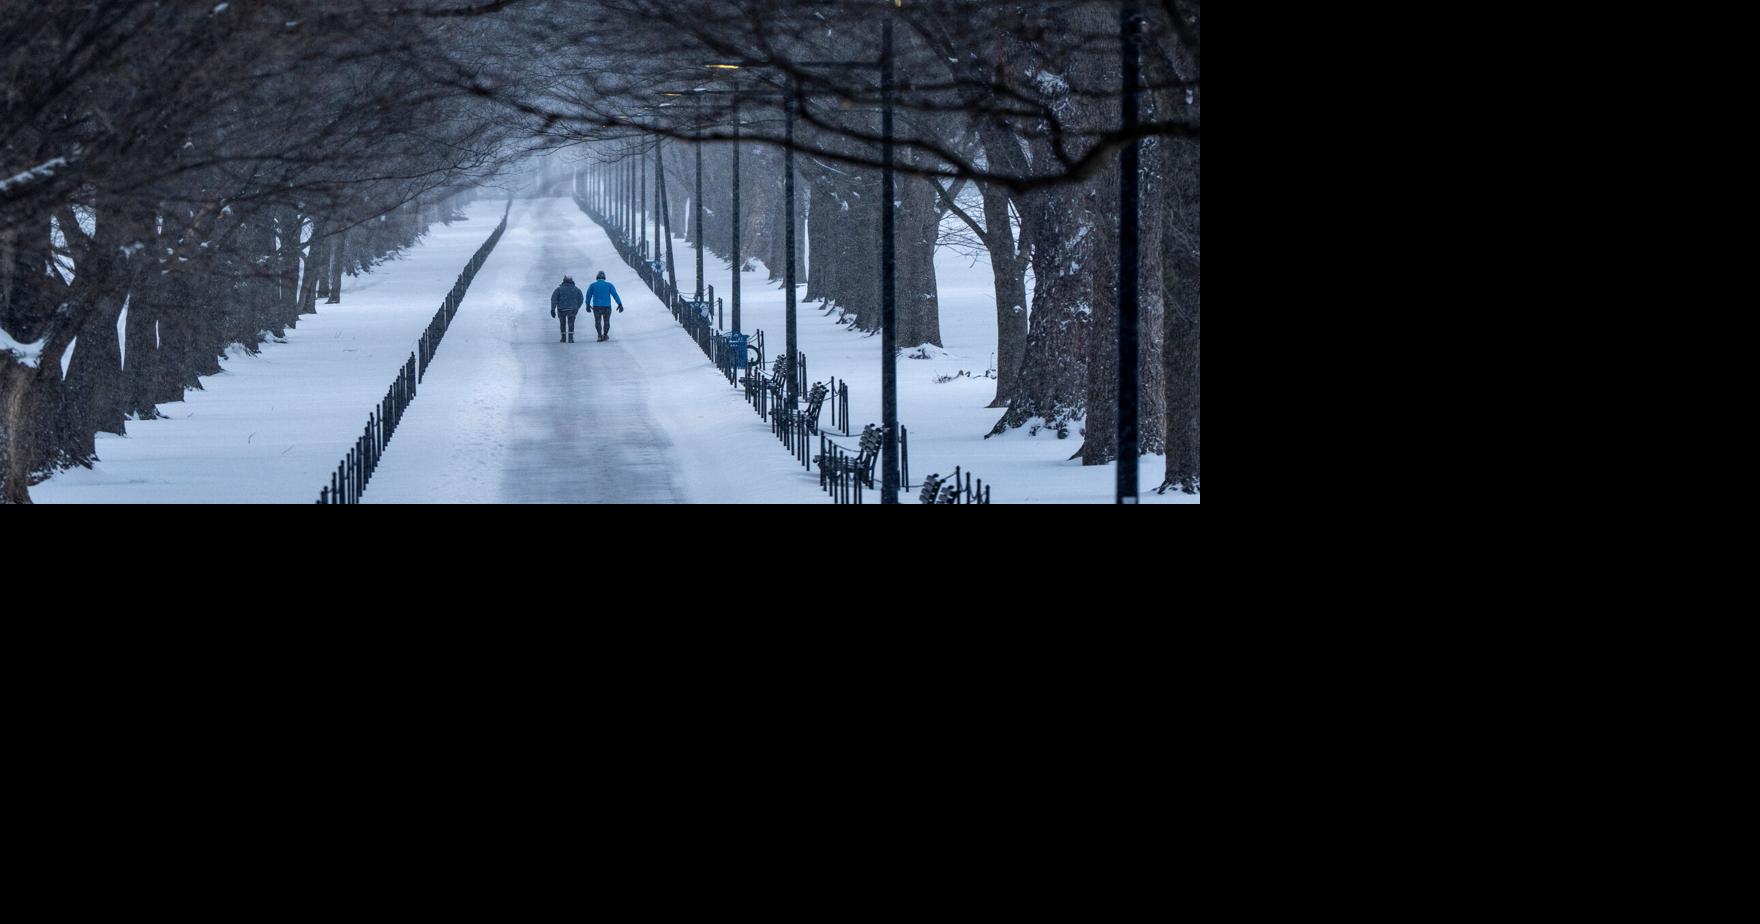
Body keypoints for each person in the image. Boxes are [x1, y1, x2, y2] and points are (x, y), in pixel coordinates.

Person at [585, 271, 624, 341]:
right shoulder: (609, 285)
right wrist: (620, 304)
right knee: (606, 321)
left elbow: (588, 295)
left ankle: (599, 336)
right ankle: (605, 335)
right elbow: (615, 295)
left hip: (596, 307)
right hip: (607, 307)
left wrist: (587, 304)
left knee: (597, 321)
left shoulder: (593, 285)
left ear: (597, 277)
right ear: (604, 277)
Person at [551, 275, 584, 342]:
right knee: (571, 323)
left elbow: (554, 299)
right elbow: (581, 299)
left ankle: (563, 338)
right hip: (572, 309)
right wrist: (577, 307)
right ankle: (570, 338)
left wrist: (553, 309)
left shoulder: (559, 289)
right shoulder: (576, 289)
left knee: (562, 323)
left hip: (561, 309)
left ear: (564, 281)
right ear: (572, 281)